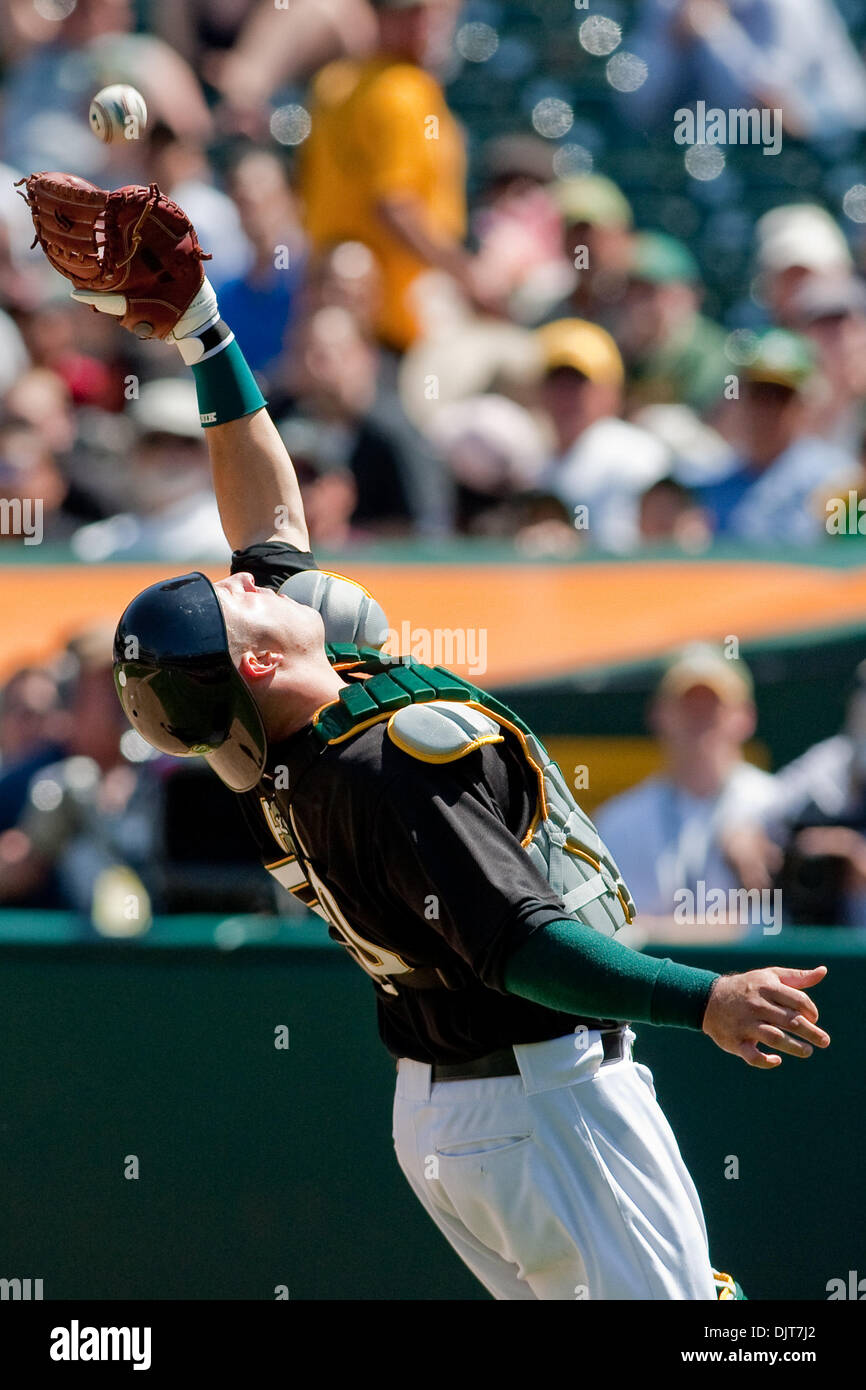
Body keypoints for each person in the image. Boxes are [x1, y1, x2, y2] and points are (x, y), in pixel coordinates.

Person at [47, 186, 831, 1300]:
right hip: (539, 1094)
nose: (239, 578)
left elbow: (265, 526)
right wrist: (698, 1000)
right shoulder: (380, 766)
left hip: (457, 1109)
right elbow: (525, 945)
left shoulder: (279, 726)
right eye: (230, 601)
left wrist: (204, 335)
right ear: (255, 663)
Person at [298, 0, 482, 351]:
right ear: (377, 17)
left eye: (428, 13)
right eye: (409, 13)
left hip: (341, 307)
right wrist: (467, 276)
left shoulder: (332, 83)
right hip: (404, 316)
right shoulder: (402, 90)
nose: (423, 24)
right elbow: (394, 206)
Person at [594, 646, 778, 934]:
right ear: (658, 714)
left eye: (714, 703)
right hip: (654, 979)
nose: (700, 716)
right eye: (687, 703)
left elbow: (777, 925)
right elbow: (613, 932)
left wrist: (655, 931)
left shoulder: (776, 807)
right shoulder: (619, 822)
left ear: (745, 717)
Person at [697, 327, 855, 542]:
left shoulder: (840, 483)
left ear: (803, 404)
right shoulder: (709, 485)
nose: (766, 410)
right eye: (758, 394)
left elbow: (852, 561)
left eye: (780, 397)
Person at [533, 318, 671, 552]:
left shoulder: (634, 454)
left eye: (578, 384)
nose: (565, 397)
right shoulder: (539, 462)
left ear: (611, 392)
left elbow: (632, 551)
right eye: (557, 382)